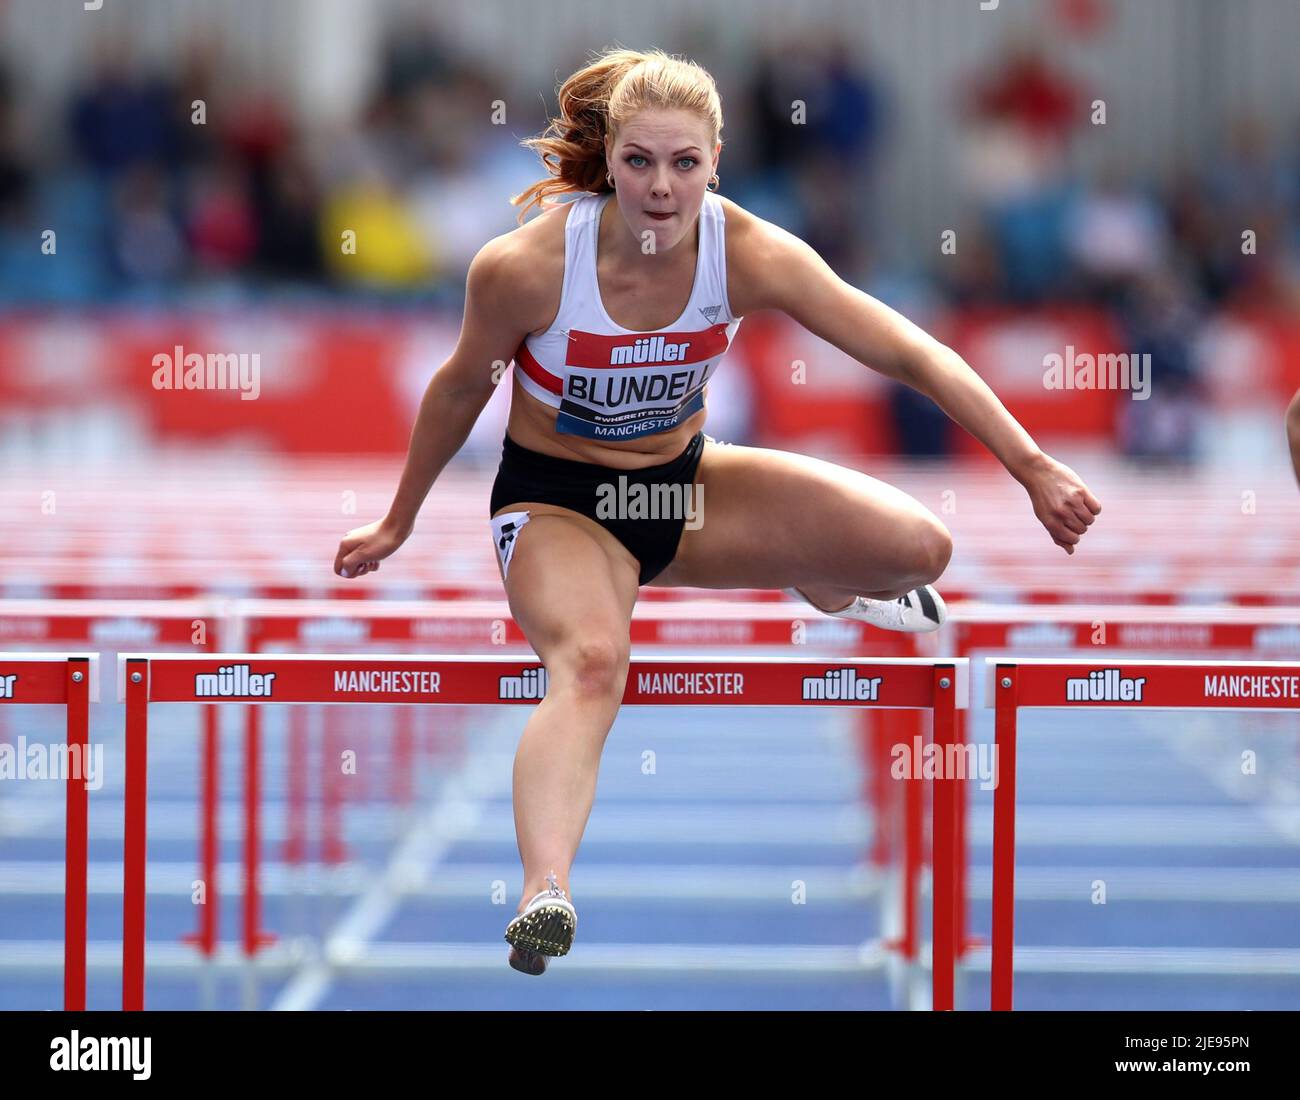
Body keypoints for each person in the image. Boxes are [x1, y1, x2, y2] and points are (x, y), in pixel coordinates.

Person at [332, 47, 1102, 975]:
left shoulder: (750, 253)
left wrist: (1031, 465)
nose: (662, 187)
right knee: (591, 662)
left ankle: (824, 582)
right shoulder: (527, 267)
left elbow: (910, 352)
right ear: (609, 159)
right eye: (641, 163)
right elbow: (459, 392)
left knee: (919, 547)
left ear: (717, 162)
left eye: (684, 164)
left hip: (680, 487)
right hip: (559, 502)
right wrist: (399, 518)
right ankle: (546, 890)